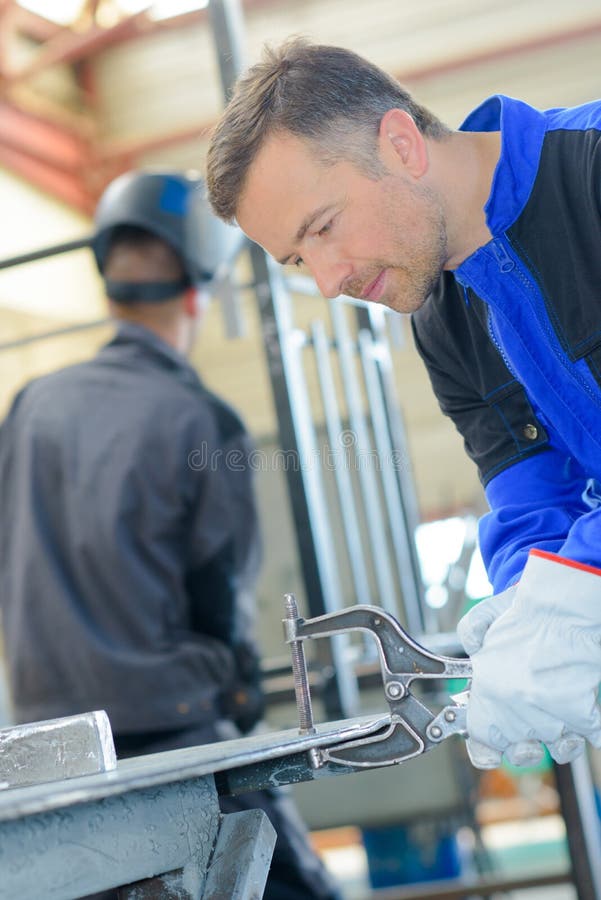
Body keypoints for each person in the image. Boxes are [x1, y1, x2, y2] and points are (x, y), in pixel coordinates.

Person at [205, 38, 601, 771]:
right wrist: (525, 615)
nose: (325, 282)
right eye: (297, 259)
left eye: (322, 227)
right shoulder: (443, 323)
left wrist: (577, 597)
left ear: (400, 145)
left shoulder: (593, 170)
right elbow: (526, 497)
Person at [0, 169, 340, 900]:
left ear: (109, 286)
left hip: (50, 756)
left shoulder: (30, 406)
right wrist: (241, 692)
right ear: (199, 291)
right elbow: (219, 595)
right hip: (174, 739)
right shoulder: (200, 420)